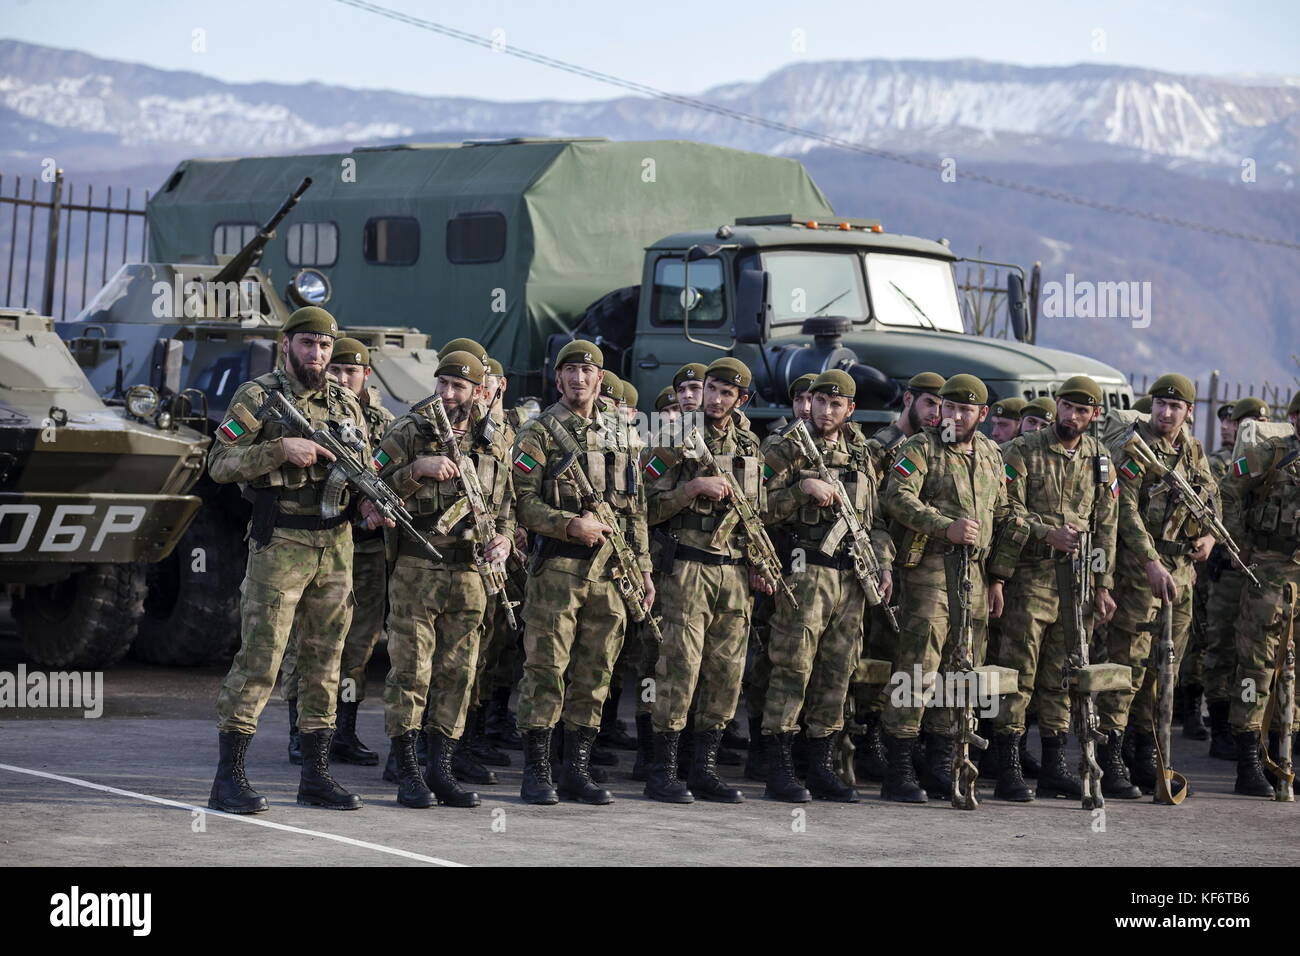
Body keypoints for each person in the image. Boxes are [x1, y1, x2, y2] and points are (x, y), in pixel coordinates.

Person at [207, 306, 386, 814]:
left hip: (336, 546)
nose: (318, 354)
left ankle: (316, 774)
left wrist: (368, 500)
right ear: (286, 344)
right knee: (261, 660)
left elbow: (359, 471)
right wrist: (278, 450)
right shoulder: (259, 397)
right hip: (280, 542)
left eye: (326, 346)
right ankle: (229, 778)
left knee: (325, 663)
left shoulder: (345, 405)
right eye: (308, 344)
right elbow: (217, 463)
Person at [511, 340, 653, 805]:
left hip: (610, 573)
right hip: (558, 570)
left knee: (595, 673)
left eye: (586, 373)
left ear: (600, 378)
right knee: (546, 669)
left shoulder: (620, 434)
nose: (578, 379)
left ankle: (576, 770)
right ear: (558, 380)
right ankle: (536, 771)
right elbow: (523, 503)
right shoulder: (538, 433)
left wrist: (644, 568)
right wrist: (570, 524)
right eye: (569, 372)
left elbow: (635, 508)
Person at [371, 351, 516, 808]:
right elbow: (369, 486)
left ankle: (441, 768)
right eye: (443, 384)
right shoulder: (410, 429)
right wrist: (416, 471)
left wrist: (507, 540)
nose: (449, 394)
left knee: (459, 673)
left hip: (472, 569)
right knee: (412, 670)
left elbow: (508, 501)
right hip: (419, 566)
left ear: (478, 391)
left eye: (459, 386)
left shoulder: (492, 438)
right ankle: (408, 771)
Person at [879, 374, 1021, 803]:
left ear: (982, 414)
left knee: (959, 672)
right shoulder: (921, 448)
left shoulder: (993, 456)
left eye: (965, 409)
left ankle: (941, 765)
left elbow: (1006, 511)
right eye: (949, 407)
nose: (954, 416)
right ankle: (899, 769)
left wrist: (998, 576)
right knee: (917, 670)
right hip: (930, 576)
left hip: (974, 580)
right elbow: (896, 498)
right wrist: (946, 527)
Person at [761, 369, 893, 802]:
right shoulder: (786, 447)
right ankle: (780, 766)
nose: (826, 410)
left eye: (837, 404)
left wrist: (883, 564)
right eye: (820, 401)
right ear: (809, 402)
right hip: (806, 570)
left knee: (838, 670)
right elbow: (755, 507)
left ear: (850, 409)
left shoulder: (861, 453)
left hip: (852, 576)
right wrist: (802, 489)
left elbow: (874, 521)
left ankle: (821, 763)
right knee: (793, 666)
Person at [988, 376, 1119, 800]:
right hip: (1029, 580)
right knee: (1018, 674)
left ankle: (1053, 766)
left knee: (1061, 678)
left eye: (1082, 411)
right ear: (1056, 405)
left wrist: (1102, 584)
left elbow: (1106, 525)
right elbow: (1005, 511)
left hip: (1076, 586)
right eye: (1067, 407)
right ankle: (1008, 766)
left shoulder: (1100, 458)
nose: (1073, 416)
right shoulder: (1022, 451)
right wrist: (1046, 534)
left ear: (1094, 415)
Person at [641, 357, 761, 804]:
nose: (715, 398)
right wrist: (690, 490)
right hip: (686, 568)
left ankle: (703, 769)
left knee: (726, 672)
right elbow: (643, 507)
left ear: (740, 400)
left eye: (727, 393)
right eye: (711, 388)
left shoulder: (749, 446)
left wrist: (759, 563)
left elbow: (756, 514)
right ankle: (663, 770)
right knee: (679, 667)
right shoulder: (671, 437)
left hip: (732, 571)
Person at [1097, 373, 1218, 798]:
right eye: (1160, 405)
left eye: (1175, 406)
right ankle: (1110, 755)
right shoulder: (1135, 447)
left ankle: (1144, 751)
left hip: (1181, 573)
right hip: (1138, 572)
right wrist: (1149, 562)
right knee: (1127, 665)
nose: (1166, 413)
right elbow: (1124, 509)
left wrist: (1209, 538)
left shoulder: (1193, 450)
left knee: (1163, 669)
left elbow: (1211, 499)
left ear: (1189, 412)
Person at [279, 338, 394, 768]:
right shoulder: (313, 412)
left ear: (367, 375)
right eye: (336, 370)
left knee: (358, 647)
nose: (342, 377)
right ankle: (300, 731)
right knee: (305, 645)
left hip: (366, 552)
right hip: (318, 541)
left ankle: (342, 729)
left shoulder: (383, 423)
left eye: (352, 371)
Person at [1222, 392, 1300, 796]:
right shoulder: (1270, 453)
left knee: (1295, 672)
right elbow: (1229, 490)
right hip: (1268, 570)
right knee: (1256, 665)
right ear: (1293, 418)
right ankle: (1249, 762)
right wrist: (1238, 544)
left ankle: (1284, 755)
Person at [1201, 398, 1269, 757]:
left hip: (1263, 572)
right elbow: (1221, 502)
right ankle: (1222, 725)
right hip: (1230, 568)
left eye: (1258, 421)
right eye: (1244, 423)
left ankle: (1251, 727)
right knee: (1222, 649)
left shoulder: (1274, 459)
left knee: (1253, 656)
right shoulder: (1236, 464)